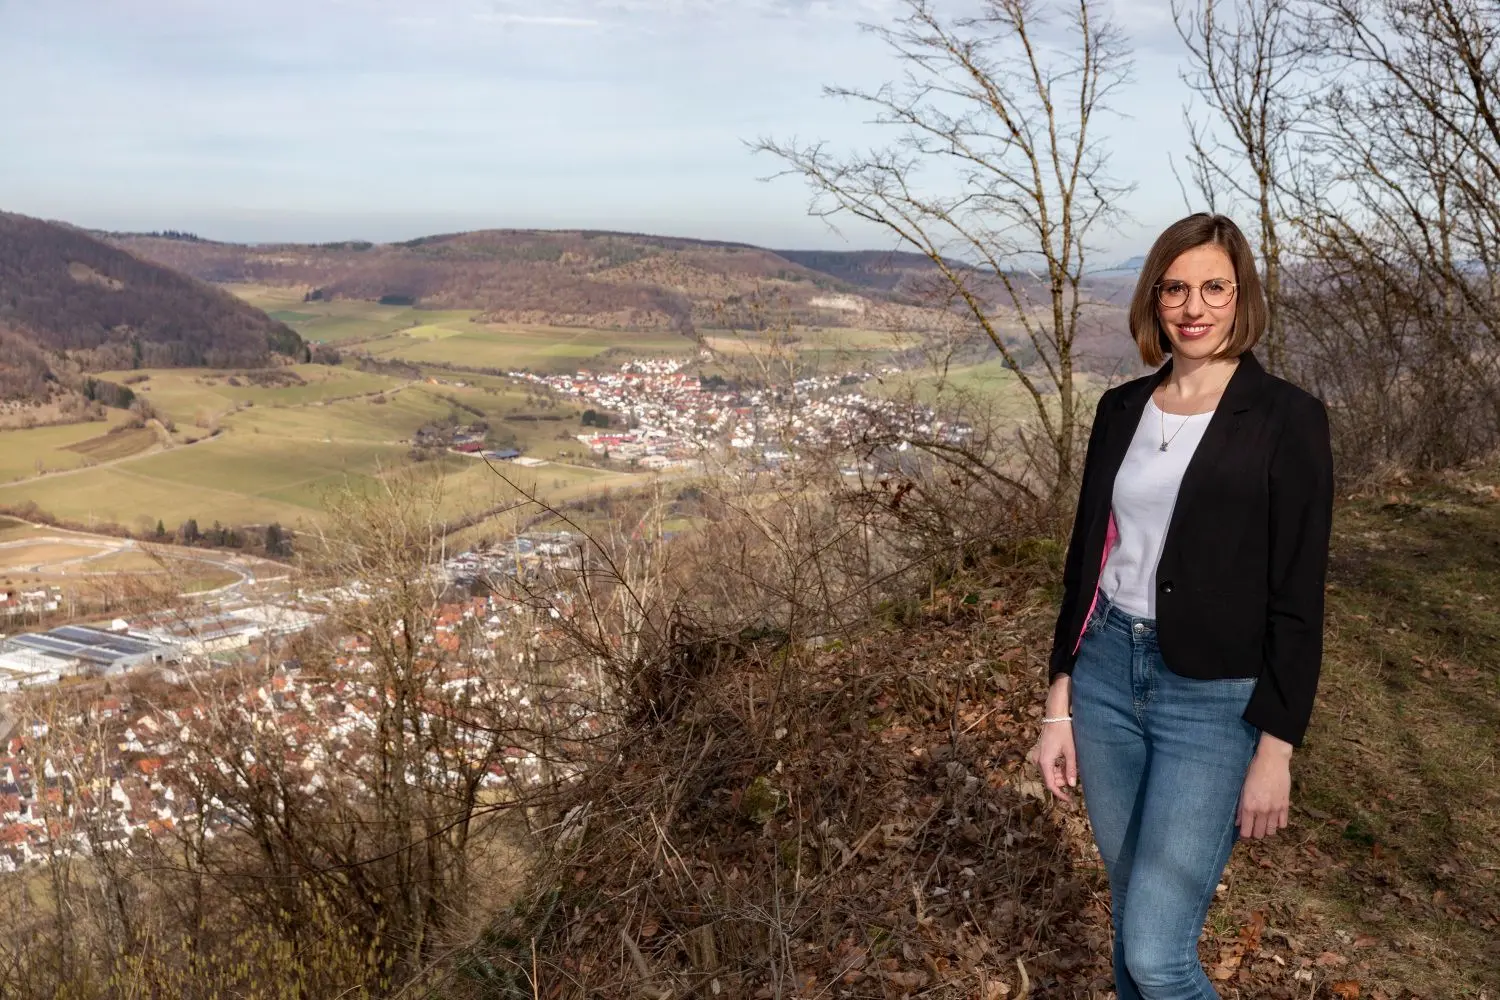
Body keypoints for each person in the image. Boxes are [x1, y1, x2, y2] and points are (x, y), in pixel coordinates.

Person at [1028, 213, 1334, 999]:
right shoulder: (1121, 410)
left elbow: (1298, 596)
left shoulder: (1287, 419)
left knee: (1159, 956)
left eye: (1214, 288)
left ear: (1242, 297)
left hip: (1213, 701)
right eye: (1175, 289)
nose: (1193, 307)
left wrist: (1277, 748)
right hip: (1104, 677)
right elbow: (1084, 562)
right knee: (1131, 927)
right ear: (1154, 299)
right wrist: (1059, 701)